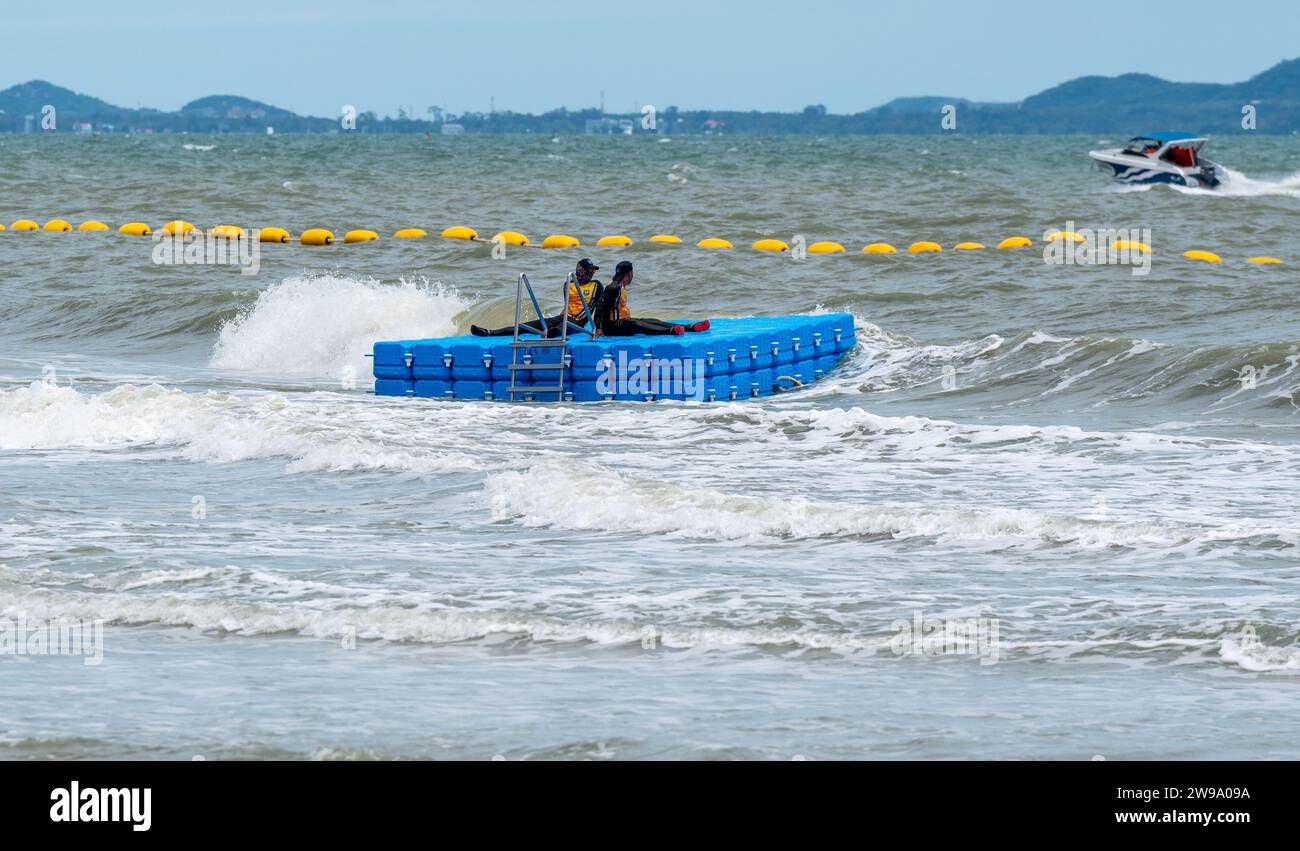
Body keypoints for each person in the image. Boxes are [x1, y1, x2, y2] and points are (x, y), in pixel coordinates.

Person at [470, 258, 603, 337]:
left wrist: (597, 327)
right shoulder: (568, 284)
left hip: (578, 322)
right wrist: (562, 319)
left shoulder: (596, 285)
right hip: (563, 317)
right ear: (580, 271)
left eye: (593, 271)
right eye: (589, 270)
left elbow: (591, 308)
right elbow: (568, 305)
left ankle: (549, 335)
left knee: (557, 330)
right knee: (526, 326)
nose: (592, 273)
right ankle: (490, 332)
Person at [591, 261, 710, 337]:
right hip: (612, 327)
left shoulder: (619, 286)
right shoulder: (614, 287)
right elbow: (600, 306)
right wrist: (598, 328)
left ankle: (689, 327)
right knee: (638, 325)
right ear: (629, 274)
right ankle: (671, 331)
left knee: (653, 321)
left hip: (621, 322)